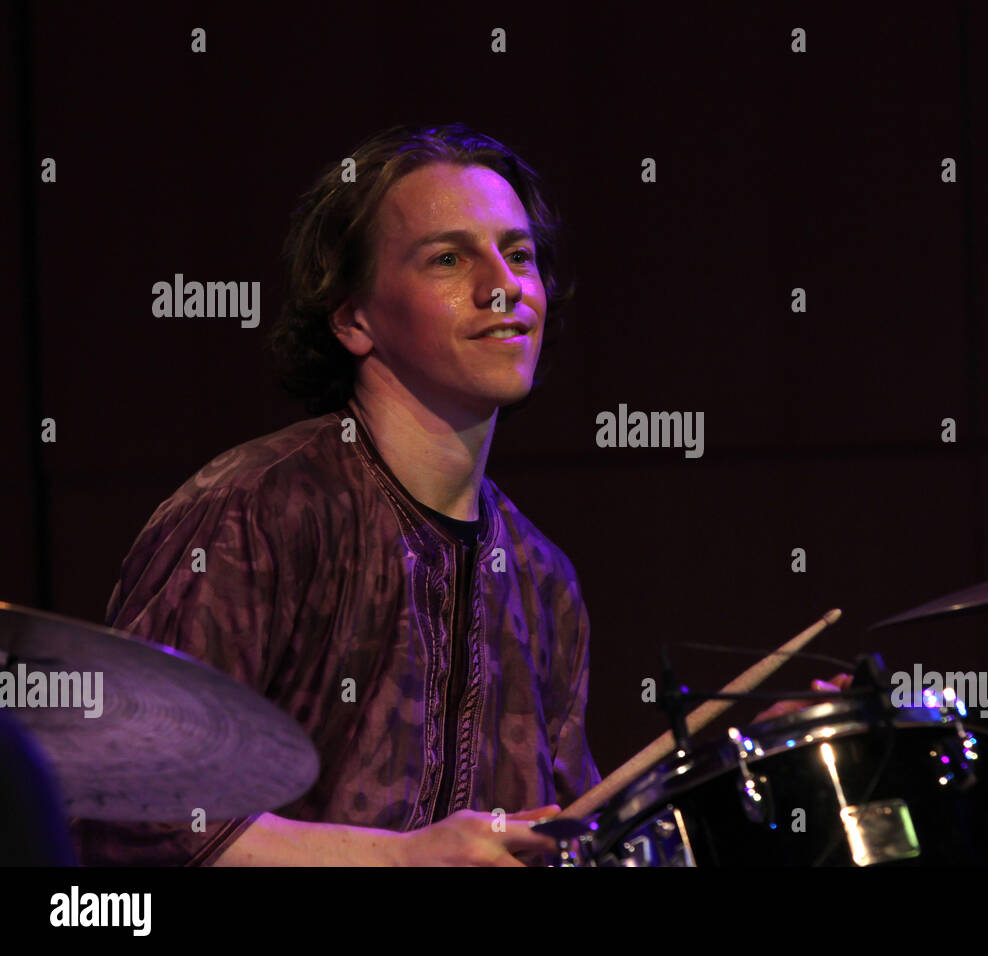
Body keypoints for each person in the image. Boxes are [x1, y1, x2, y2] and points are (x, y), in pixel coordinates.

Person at [72, 123, 597, 866]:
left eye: (519, 255)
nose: (503, 284)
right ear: (353, 318)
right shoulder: (255, 511)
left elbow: (574, 836)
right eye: (449, 258)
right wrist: (404, 859)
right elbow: (134, 816)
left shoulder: (544, 579)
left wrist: (744, 767)